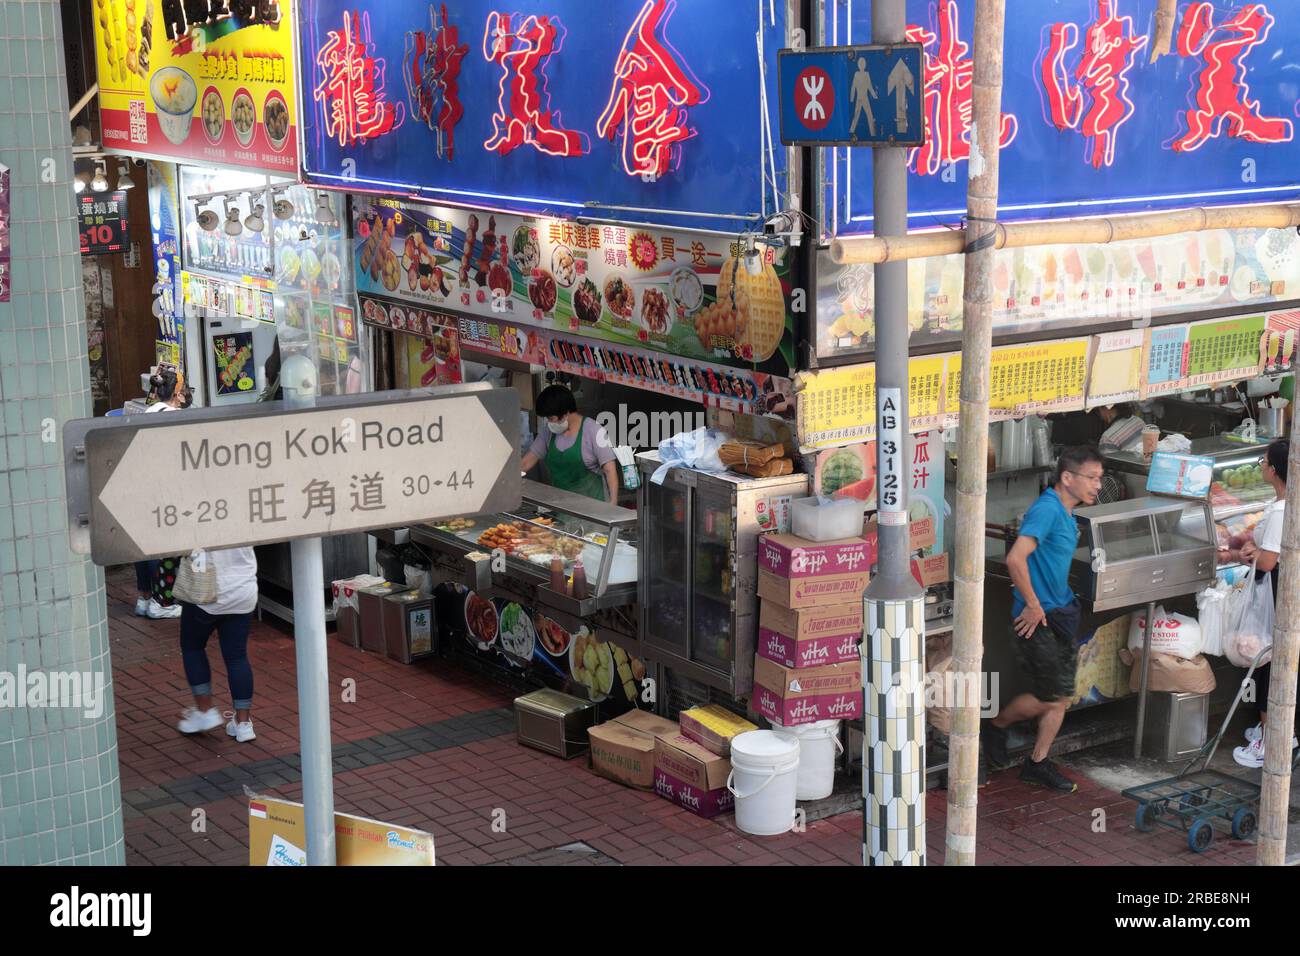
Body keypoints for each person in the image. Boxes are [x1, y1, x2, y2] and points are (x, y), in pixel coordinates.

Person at [981, 446, 1105, 792]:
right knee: (1051, 697)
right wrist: (1033, 605)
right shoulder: (1048, 510)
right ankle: (996, 723)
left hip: (1061, 612)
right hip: (1037, 619)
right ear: (1068, 478)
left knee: (1062, 696)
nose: (1098, 485)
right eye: (1092, 478)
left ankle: (1037, 763)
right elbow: (1016, 559)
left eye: (1100, 478)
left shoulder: (1065, 512)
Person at [1233, 438, 1297, 767]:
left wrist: (1246, 553)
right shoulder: (1289, 504)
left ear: (1273, 470)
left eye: (1263, 461)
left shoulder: (1280, 512)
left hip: (1276, 593)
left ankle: (1270, 742)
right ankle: (1276, 731)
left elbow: (1270, 561)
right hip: (1287, 590)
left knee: (1267, 662)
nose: (1260, 465)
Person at [175, 546, 260, 742]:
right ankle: (244, 724)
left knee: (192, 647)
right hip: (243, 591)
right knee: (237, 656)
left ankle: (205, 712)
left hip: (205, 591)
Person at [520, 384, 619, 502]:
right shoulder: (549, 432)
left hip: (593, 510)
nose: (549, 422)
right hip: (562, 508)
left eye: (551, 418)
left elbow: (610, 470)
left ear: (566, 413)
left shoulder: (594, 431)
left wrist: (613, 507)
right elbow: (525, 463)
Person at [143, 366, 188, 619]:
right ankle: (163, 601)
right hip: (169, 490)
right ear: (177, 393)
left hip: (149, 487)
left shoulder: (149, 411)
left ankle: (150, 598)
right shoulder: (175, 417)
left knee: (154, 549)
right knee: (172, 550)